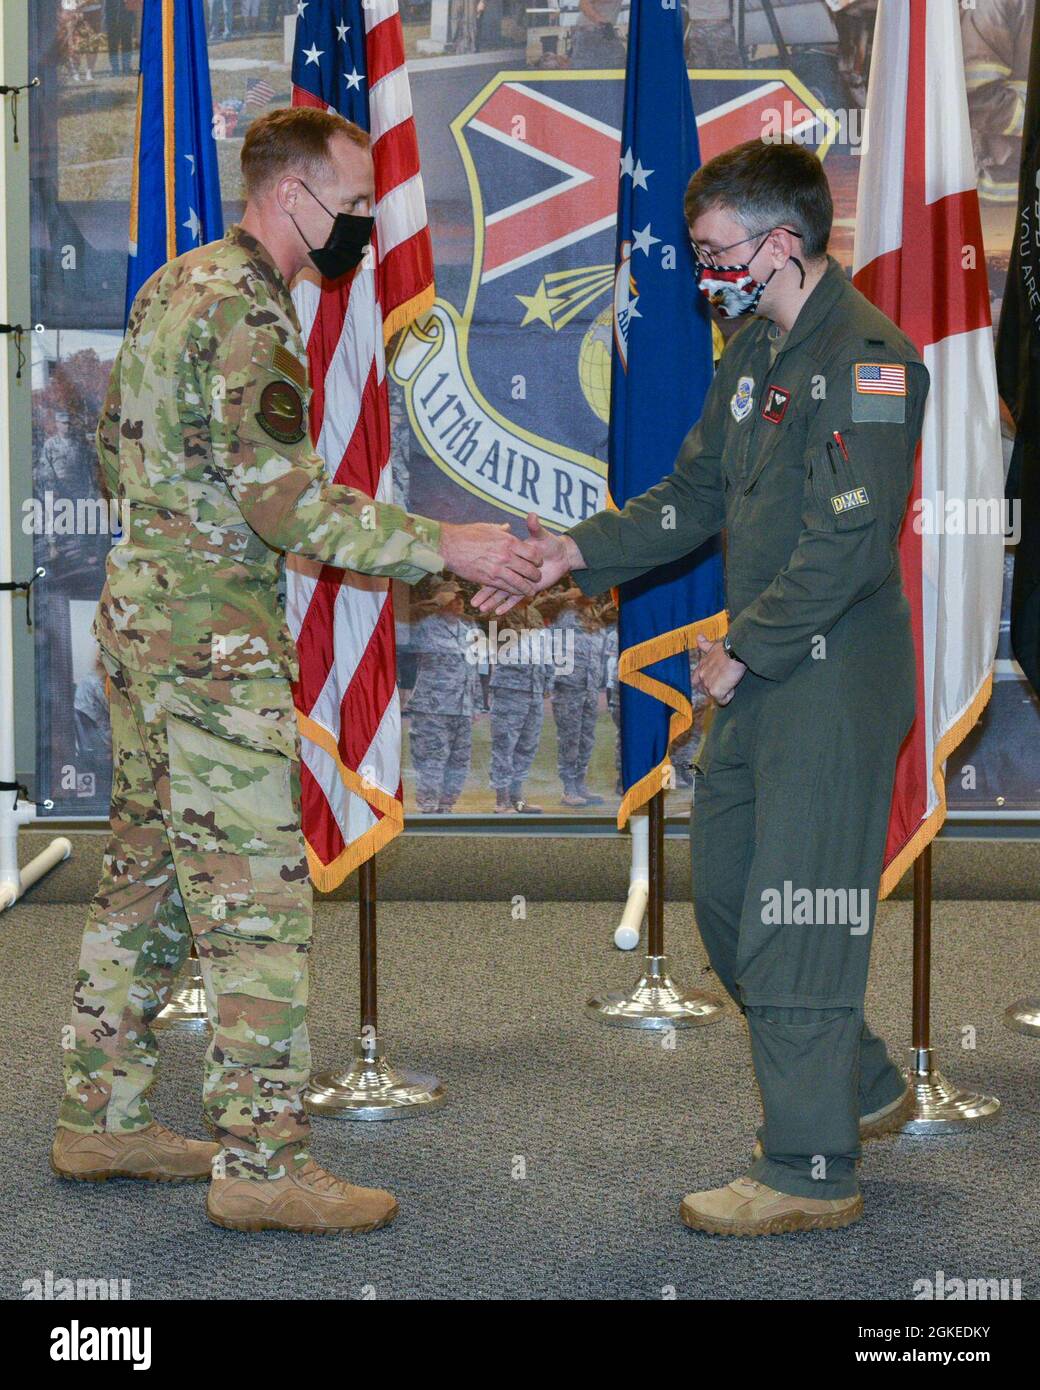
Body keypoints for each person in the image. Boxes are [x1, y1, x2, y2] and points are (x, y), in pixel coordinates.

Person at [53, 107, 542, 1236]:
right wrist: (446, 545)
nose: (364, 224)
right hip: (211, 653)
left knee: (145, 877)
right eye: (354, 203)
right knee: (257, 906)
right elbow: (288, 509)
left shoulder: (175, 282)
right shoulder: (251, 311)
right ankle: (263, 1161)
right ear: (292, 197)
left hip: (142, 626)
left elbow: (115, 451)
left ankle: (101, 1113)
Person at [475, 139, 929, 1236]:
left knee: (798, 918)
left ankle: (809, 1169)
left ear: (783, 243)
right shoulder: (754, 350)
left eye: (717, 251)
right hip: (760, 677)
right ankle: (858, 1079)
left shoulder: (870, 360)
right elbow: (692, 495)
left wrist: (748, 644)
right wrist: (571, 554)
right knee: (728, 902)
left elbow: (850, 540)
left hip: (827, 681)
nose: (703, 272)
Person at [407, 580, 481, 813]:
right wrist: (433, 603)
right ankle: (428, 807)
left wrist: (476, 704)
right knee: (431, 758)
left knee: (459, 760)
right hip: (432, 708)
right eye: (452, 597)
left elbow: (472, 669)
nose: (458, 601)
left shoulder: (467, 630)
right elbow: (403, 616)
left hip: (462, 707)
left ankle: (447, 806)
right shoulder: (424, 625)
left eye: (460, 598)